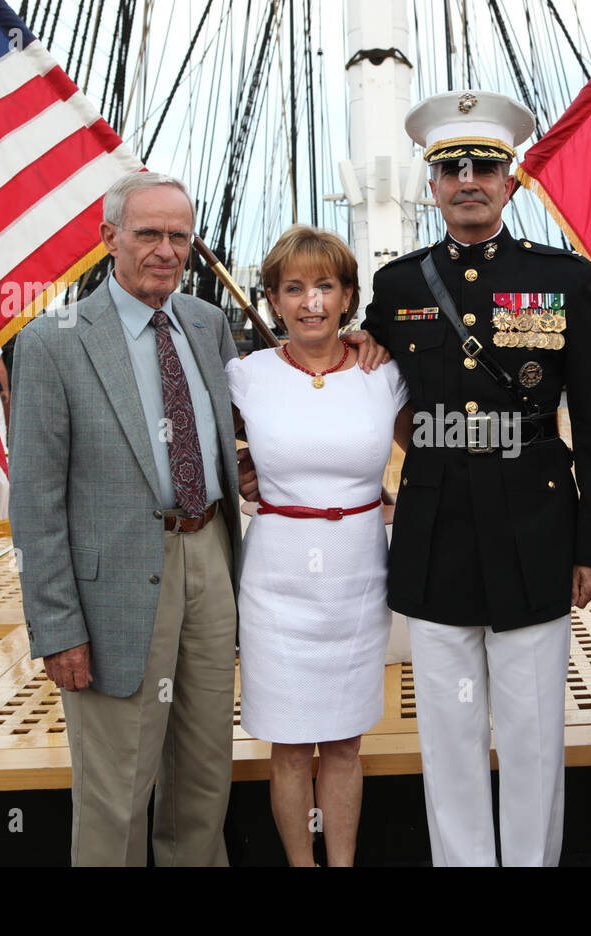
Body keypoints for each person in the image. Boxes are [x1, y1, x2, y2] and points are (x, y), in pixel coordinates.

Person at [9, 171, 382, 866]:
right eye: (147, 233)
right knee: (117, 785)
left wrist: (360, 347)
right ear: (108, 238)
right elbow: (34, 503)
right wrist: (57, 628)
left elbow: (281, 405)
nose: (164, 250)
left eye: (179, 236)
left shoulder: (207, 326)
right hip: (115, 583)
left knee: (203, 772)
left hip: (210, 555)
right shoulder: (54, 343)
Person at [361, 90, 591, 866]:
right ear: (433, 184)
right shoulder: (399, 288)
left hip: (537, 526)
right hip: (436, 528)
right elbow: (356, 379)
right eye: (451, 168)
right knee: (446, 733)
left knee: (534, 731)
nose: (467, 179)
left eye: (484, 165)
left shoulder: (565, 280)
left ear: (511, 181)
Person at [225, 225, 410, 866]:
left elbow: (440, 451)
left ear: (348, 296)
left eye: (325, 286)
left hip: (357, 577)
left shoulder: (383, 375)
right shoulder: (244, 377)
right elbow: (197, 452)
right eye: (294, 288)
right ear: (273, 299)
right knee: (288, 745)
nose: (311, 302)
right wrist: (241, 469)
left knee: (345, 743)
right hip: (277, 583)